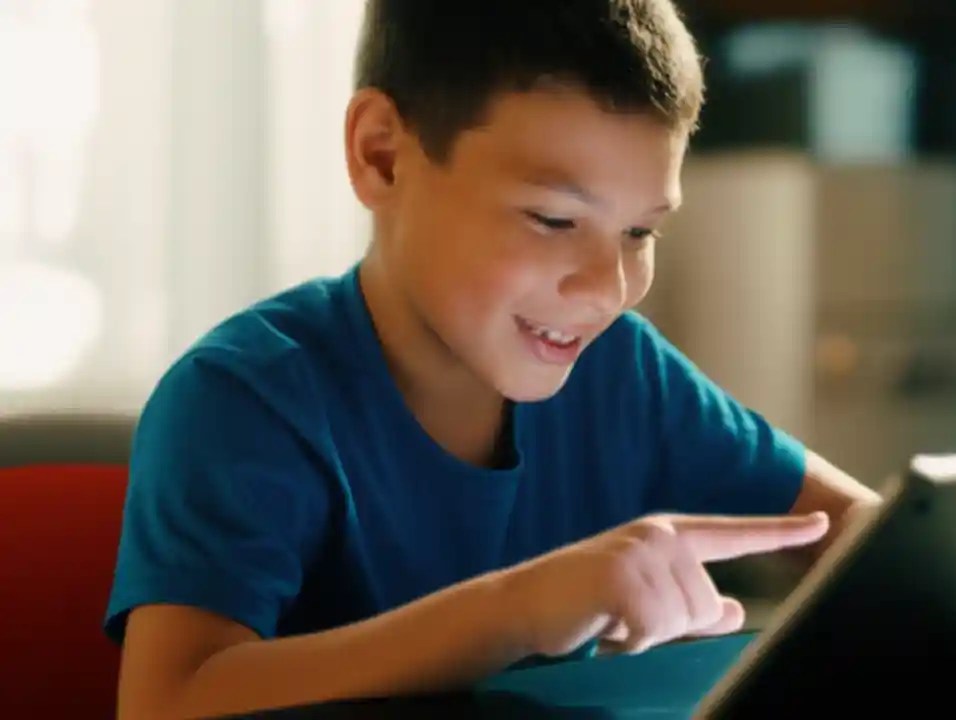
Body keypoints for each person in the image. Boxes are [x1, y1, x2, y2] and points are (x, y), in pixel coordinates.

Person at [105, 1, 883, 717]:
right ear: (382, 157)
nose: (608, 289)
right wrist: (518, 610)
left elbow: (867, 536)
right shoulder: (245, 397)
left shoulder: (622, 372)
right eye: (553, 219)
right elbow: (169, 701)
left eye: (640, 233)